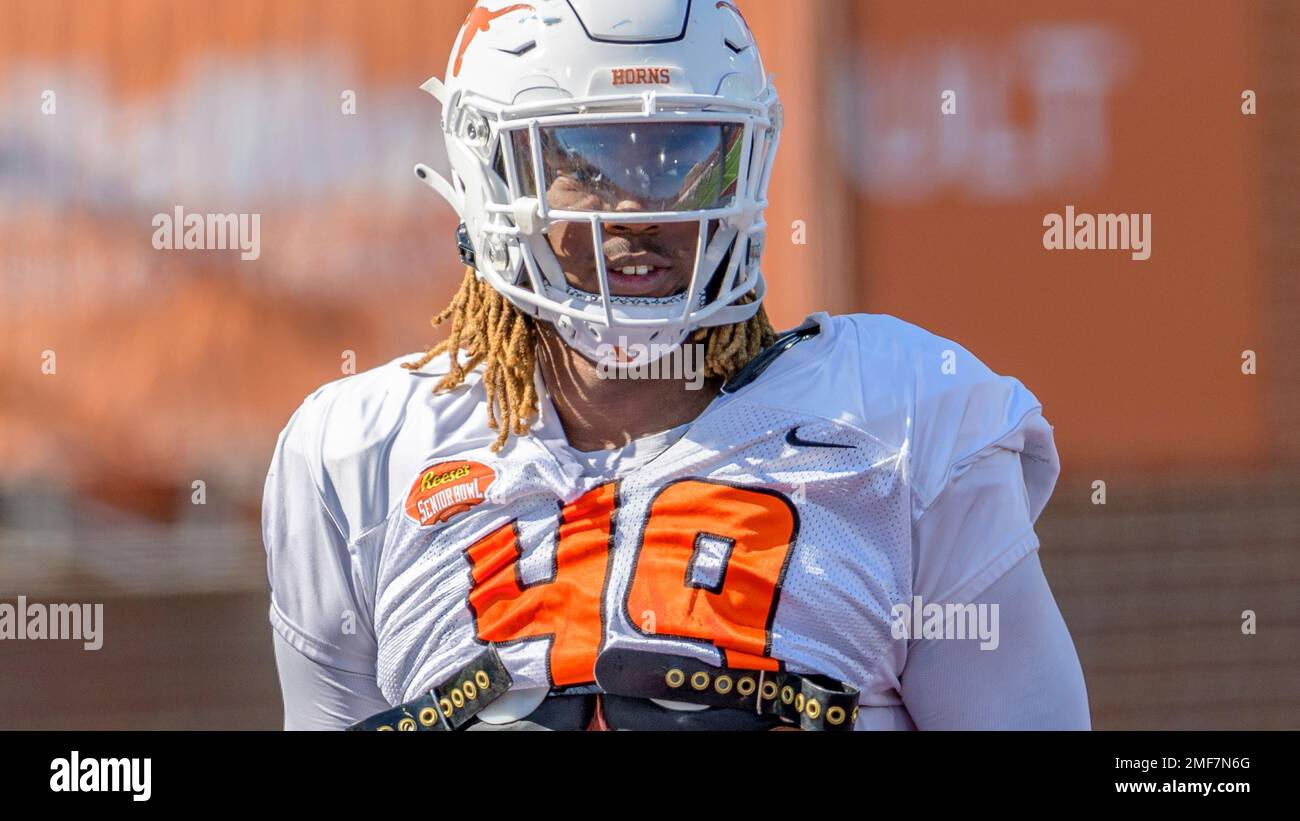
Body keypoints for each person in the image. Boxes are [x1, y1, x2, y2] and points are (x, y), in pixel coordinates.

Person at [263, 0, 1090, 731]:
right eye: (588, 163)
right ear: (490, 172)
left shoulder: (904, 416)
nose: (640, 207)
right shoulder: (360, 455)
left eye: (682, 155)